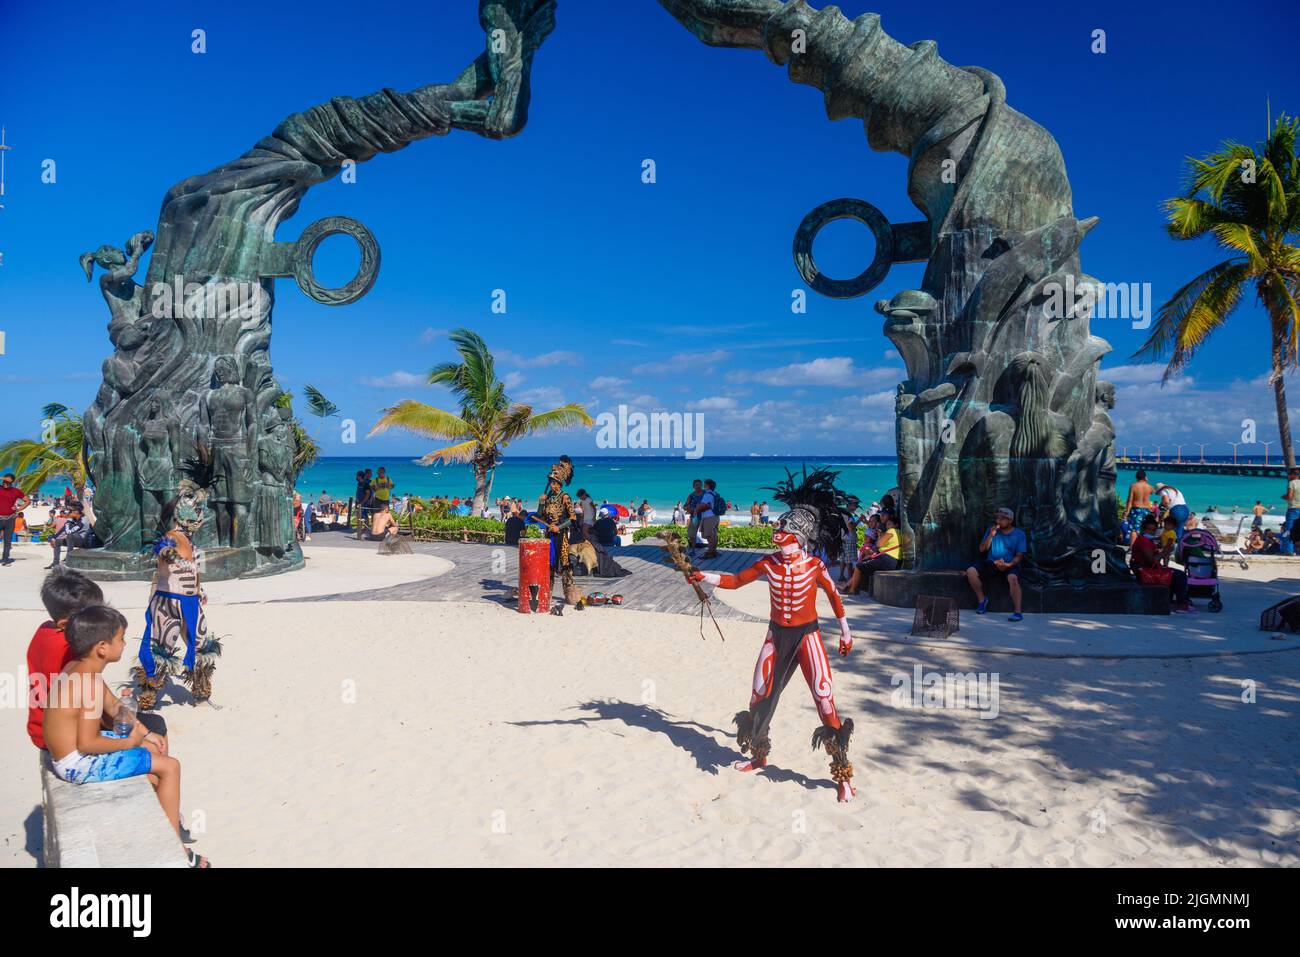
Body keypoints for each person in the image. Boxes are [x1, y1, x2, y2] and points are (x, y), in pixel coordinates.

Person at [688, 466, 859, 802]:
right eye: (781, 526)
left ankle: (842, 776)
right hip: (776, 635)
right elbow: (735, 581)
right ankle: (759, 754)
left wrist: (845, 631)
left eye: (787, 529)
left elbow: (834, 596)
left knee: (824, 698)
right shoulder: (769, 564)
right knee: (760, 694)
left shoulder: (814, 566)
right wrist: (702, 576)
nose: (780, 532)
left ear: (801, 538)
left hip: (807, 637)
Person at [44, 604, 209, 867]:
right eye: (120, 639)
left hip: (69, 754)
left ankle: (160, 824)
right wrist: (131, 741)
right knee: (169, 767)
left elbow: (115, 706)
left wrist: (145, 734)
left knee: (153, 751)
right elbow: (88, 743)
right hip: (75, 764)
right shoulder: (88, 685)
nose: (123, 644)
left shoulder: (78, 668)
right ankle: (172, 847)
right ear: (102, 647)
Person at [133, 493, 218, 708]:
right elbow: (162, 550)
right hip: (168, 604)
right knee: (161, 649)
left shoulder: (193, 544)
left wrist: (201, 589)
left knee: (201, 646)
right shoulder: (170, 536)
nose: (199, 517)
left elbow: (196, 573)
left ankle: (200, 693)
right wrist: (170, 555)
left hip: (191, 603)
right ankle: (148, 697)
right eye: (196, 512)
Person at [965, 506, 1027, 621]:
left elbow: (1019, 556)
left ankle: (1018, 611)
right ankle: (982, 600)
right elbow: (982, 549)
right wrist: (990, 535)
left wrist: (1008, 565)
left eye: (1002, 518)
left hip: (1009, 564)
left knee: (1013, 578)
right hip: (992, 563)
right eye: (998, 518)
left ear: (1010, 520)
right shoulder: (991, 530)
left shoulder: (1019, 534)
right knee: (971, 572)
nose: (999, 521)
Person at [1130, 515, 1193, 612]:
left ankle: (1171, 601)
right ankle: (1181, 604)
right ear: (1143, 529)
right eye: (1149, 529)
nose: (1151, 532)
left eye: (1153, 530)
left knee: (1175, 574)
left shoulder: (1144, 540)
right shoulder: (1144, 541)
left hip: (1145, 569)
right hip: (1147, 571)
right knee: (1180, 575)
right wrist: (1166, 551)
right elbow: (1151, 560)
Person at [847, 514, 900, 595]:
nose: (887, 526)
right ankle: (849, 585)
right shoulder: (899, 533)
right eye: (887, 525)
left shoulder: (892, 531)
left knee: (859, 566)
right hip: (894, 561)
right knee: (865, 562)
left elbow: (878, 544)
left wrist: (880, 536)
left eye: (890, 524)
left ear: (896, 525)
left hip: (886, 560)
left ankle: (852, 590)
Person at [47, 502, 92, 568]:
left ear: (76, 511)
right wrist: (53, 539)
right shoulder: (72, 519)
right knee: (57, 541)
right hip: (72, 539)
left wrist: (68, 522)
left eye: (70, 511)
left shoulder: (83, 520)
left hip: (83, 541)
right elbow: (62, 531)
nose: (68, 513)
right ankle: (55, 562)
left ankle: (69, 560)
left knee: (70, 536)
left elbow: (69, 532)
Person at [0, 472, 29, 566]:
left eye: (8, 482)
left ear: (12, 482)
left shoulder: (16, 491)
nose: (5, 483)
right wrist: (3, 478)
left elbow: (27, 501)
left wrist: (19, 509)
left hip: (10, 519)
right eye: (4, 481)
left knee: (7, 541)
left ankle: (5, 559)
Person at [697, 479, 721, 558]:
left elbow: (702, 505)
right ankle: (714, 551)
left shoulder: (707, 495)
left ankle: (710, 553)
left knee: (709, 536)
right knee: (714, 535)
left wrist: (697, 507)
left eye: (705, 484)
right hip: (716, 516)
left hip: (708, 517)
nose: (703, 486)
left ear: (708, 486)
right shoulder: (715, 494)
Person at [1281, 468, 1300, 555]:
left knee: (1289, 529)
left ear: (1293, 475)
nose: (1288, 476)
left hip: (1293, 509)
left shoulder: (1292, 483)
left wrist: (1283, 496)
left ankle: (1289, 550)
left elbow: (1289, 496)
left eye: (1289, 474)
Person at [684, 480, 704, 553]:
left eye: (699, 485)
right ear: (693, 486)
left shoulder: (705, 493)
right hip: (694, 517)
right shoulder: (691, 495)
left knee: (709, 535)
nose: (698, 486)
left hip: (705, 517)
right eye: (696, 485)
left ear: (701, 485)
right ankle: (693, 549)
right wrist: (687, 508)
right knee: (691, 534)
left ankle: (712, 551)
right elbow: (685, 505)